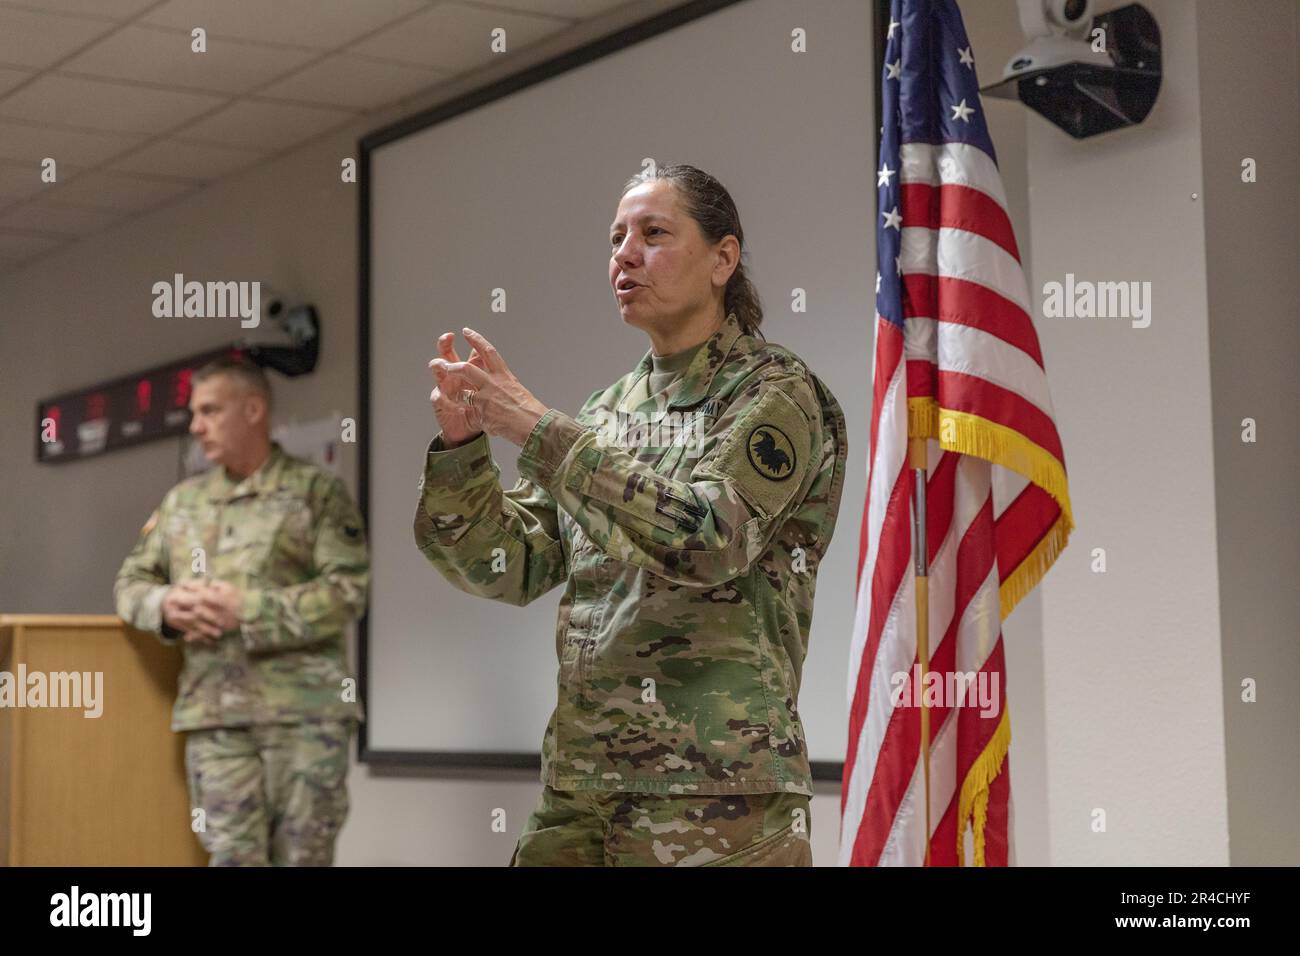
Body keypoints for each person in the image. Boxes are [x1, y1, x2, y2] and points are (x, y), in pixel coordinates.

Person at [415, 163, 847, 866]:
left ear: (722, 259)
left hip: (715, 793)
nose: (625, 253)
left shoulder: (775, 393)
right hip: (581, 791)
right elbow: (506, 567)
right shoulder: (604, 414)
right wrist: (465, 452)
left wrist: (540, 432)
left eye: (653, 233)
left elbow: (710, 539)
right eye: (616, 238)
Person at [114, 356, 368, 866]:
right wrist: (165, 605)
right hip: (216, 720)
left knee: (303, 858)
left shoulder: (315, 492)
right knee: (230, 859)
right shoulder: (182, 502)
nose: (195, 426)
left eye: (209, 410)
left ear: (253, 410)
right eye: (194, 412)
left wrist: (246, 609)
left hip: (304, 719)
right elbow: (129, 583)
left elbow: (348, 592)